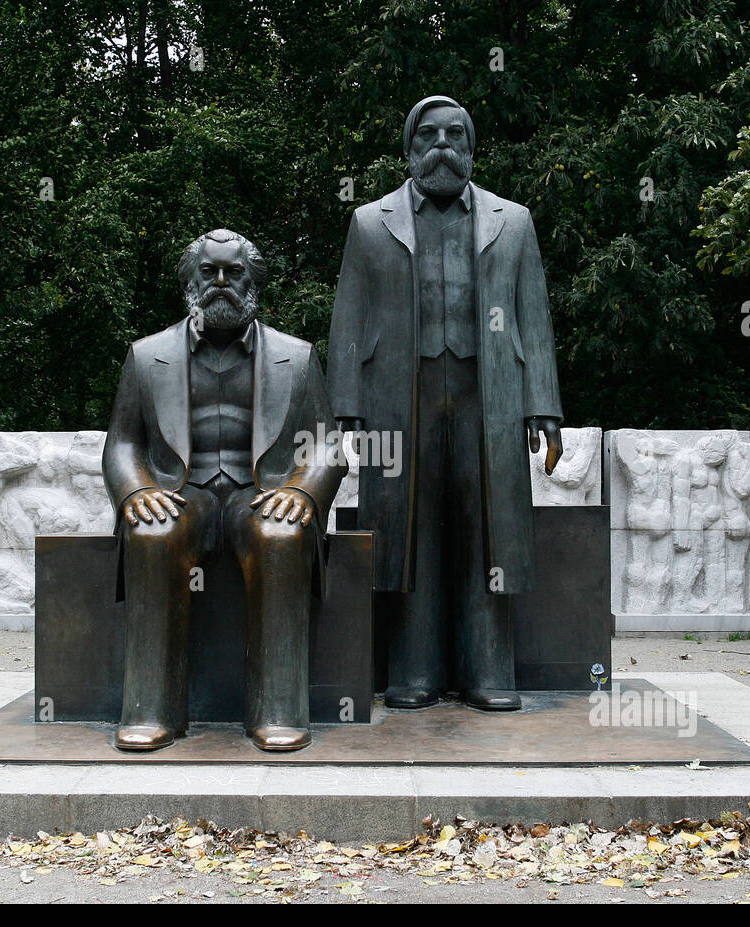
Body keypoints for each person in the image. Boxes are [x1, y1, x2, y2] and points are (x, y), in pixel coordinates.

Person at [327, 95, 564, 711]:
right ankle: (414, 672)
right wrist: (344, 409)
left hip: (491, 398)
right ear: (408, 150)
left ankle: (489, 670)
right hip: (397, 398)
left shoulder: (513, 221)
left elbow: (532, 318)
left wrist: (545, 407)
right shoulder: (369, 222)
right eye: (428, 135)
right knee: (409, 532)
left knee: (488, 529)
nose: (442, 145)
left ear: (471, 148)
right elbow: (349, 315)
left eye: (454, 134)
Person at [103, 228, 345, 752]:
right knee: (153, 529)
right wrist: (135, 492)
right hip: (180, 491)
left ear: (252, 281)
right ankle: (151, 710)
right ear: (189, 282)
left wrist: (303, 492)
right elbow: (122, 445)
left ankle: (277, 710)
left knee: (281, 533)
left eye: (233, 272)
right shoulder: (146, 357)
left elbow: (326, 447)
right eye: (207, 272)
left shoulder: (297, 357)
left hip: (258, 493)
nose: (219, 283)